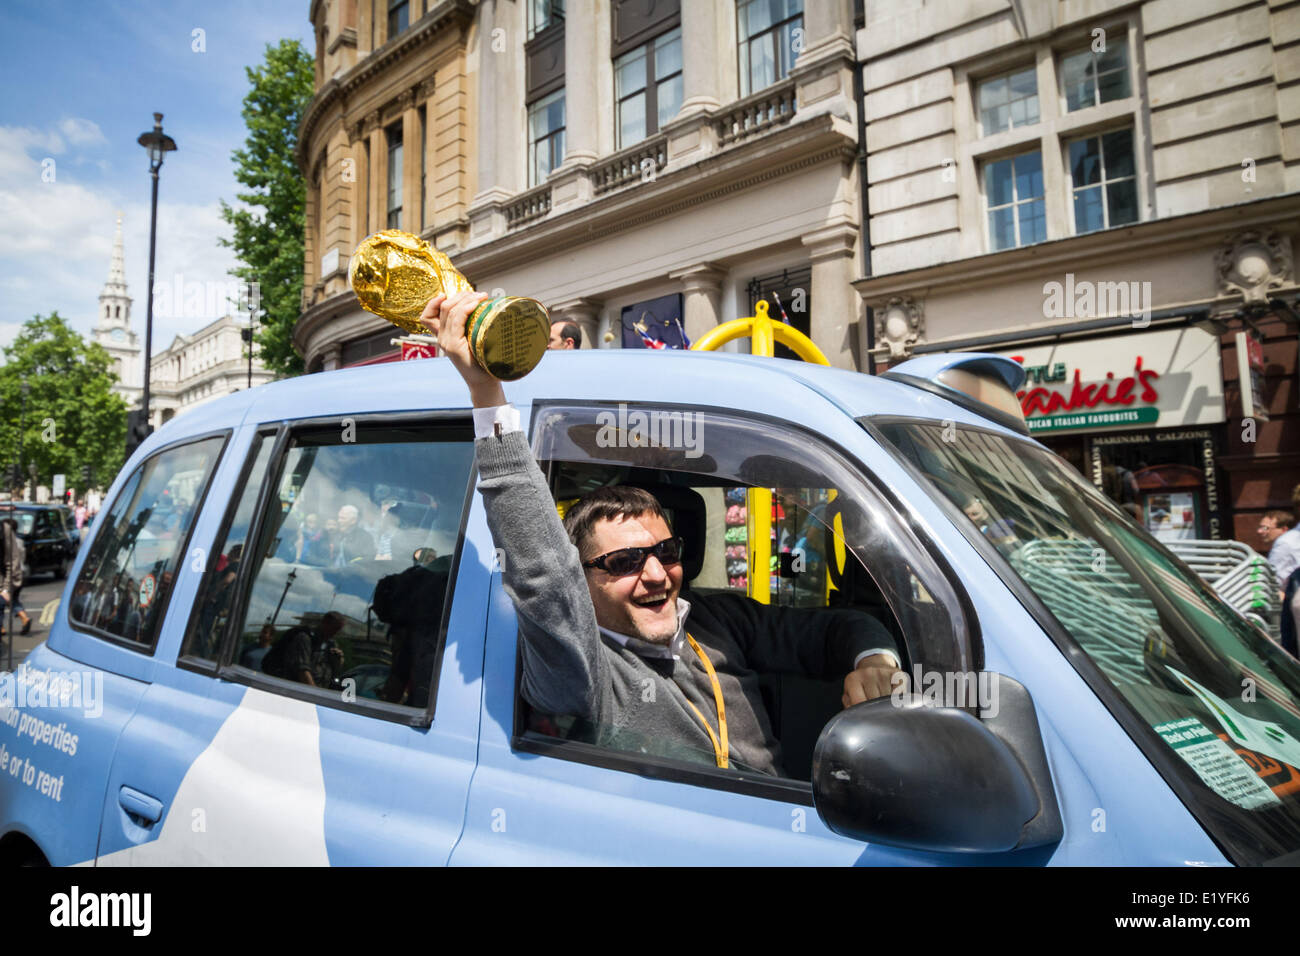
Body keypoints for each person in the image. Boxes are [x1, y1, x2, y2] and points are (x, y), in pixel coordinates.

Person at [421, 290, 903, 778]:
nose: (656, 575)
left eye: (665, 551)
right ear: (582, 582)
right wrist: (487, 393)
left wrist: (875, 660)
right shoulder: (585, 672)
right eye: (625, 562)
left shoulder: (717, 618)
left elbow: (837, 628)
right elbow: (543, 575)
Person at [262, 611, 346, 687]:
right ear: (325, 623)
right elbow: (302, 671)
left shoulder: (330, 644)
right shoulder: (305, 638)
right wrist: (315, 695)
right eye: (334, 628)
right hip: (299, 691)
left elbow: (336, 671)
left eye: (339, 630)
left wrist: (338, 659)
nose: (336, 633)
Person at [1259, 510, 1300, 596]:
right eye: (1260, 527)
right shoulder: (1292, 540)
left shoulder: (1283, 543)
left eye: (1265, 528)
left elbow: (1273, 580)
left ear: (1284, 529)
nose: (1259, 531)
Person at [0, 518, 30, 636]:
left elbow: (12, 561)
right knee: (12, 602)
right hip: (14, 576)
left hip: (11, 578)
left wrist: (6, 588)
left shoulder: (5, 531)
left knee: (7, 601)